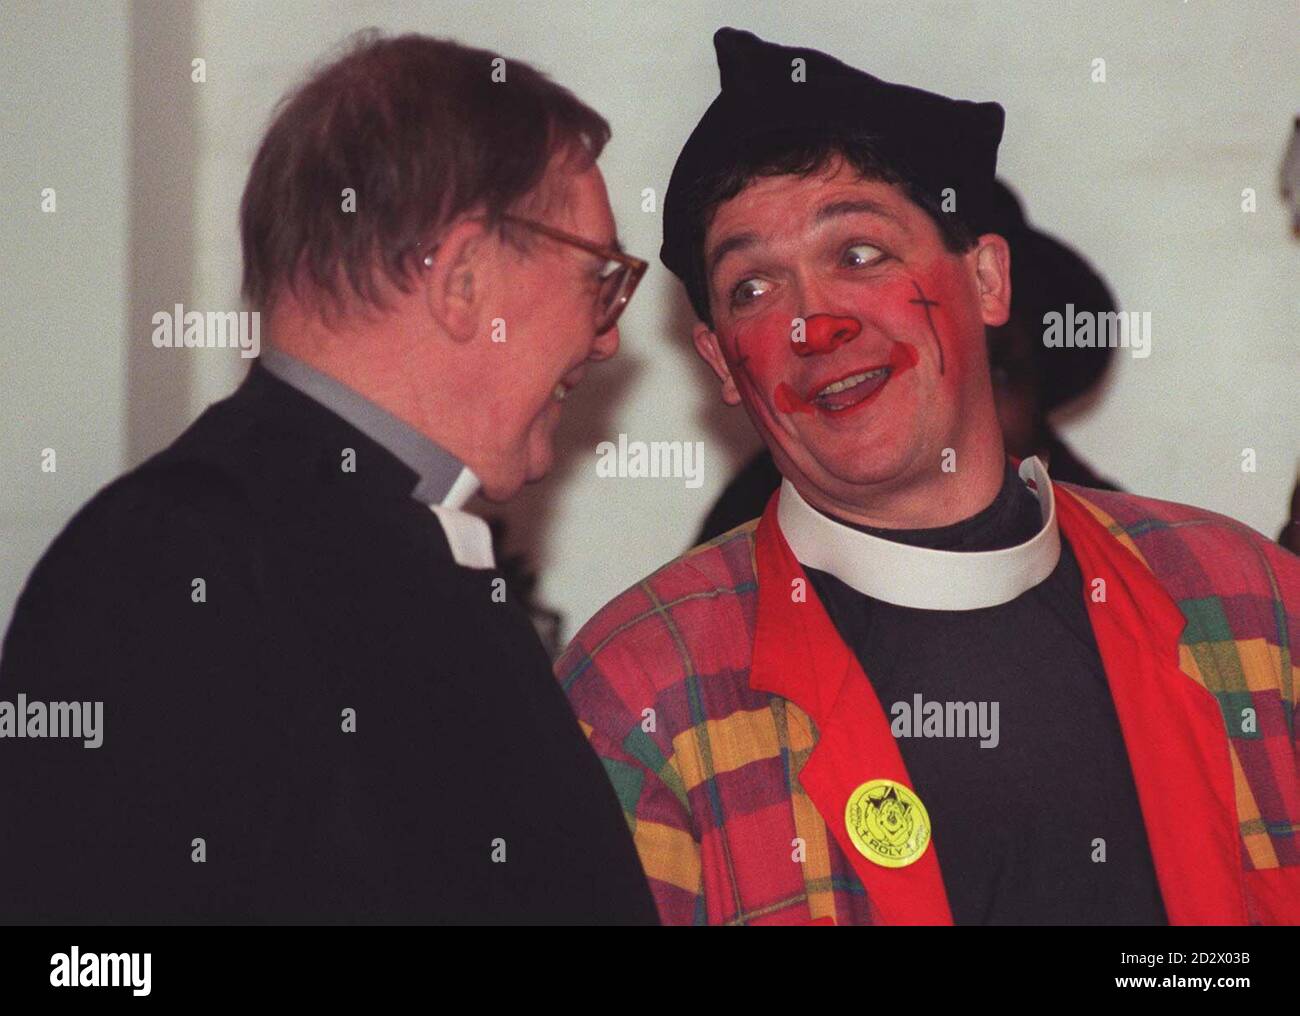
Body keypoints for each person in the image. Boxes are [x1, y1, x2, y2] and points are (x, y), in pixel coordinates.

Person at [556, 28, 1300, 925]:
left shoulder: (1253, 608)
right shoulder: (642, 695)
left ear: (987, 280)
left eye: (859, 254)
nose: (812, 325)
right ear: (720, 361)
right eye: (753, 287)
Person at [0, 32, 656, 925]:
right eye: (600, 279)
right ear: (462, 280)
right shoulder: (170, 566)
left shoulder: (387, 539)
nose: (608, 334)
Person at [695, 178, 1120, 545]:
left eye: (997, 374)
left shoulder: (1126, 547)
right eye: (750, 290)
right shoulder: (741, 550)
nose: (816, 325)